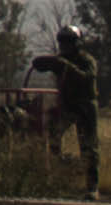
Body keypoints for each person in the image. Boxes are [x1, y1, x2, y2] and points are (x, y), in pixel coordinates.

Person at [34, 21, 104, 194]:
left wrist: (66, 67)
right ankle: (58, 174)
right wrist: (46, 61)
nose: (65, 45)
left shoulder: (87, 60)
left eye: (69, 41)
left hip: (86, 106)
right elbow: (38, 64)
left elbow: (87, 77)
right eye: (62, 41)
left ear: (77, 43)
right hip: (67, 105)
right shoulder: (60, 60)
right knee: (52, 135)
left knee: (88, 145)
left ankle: (92, 187)